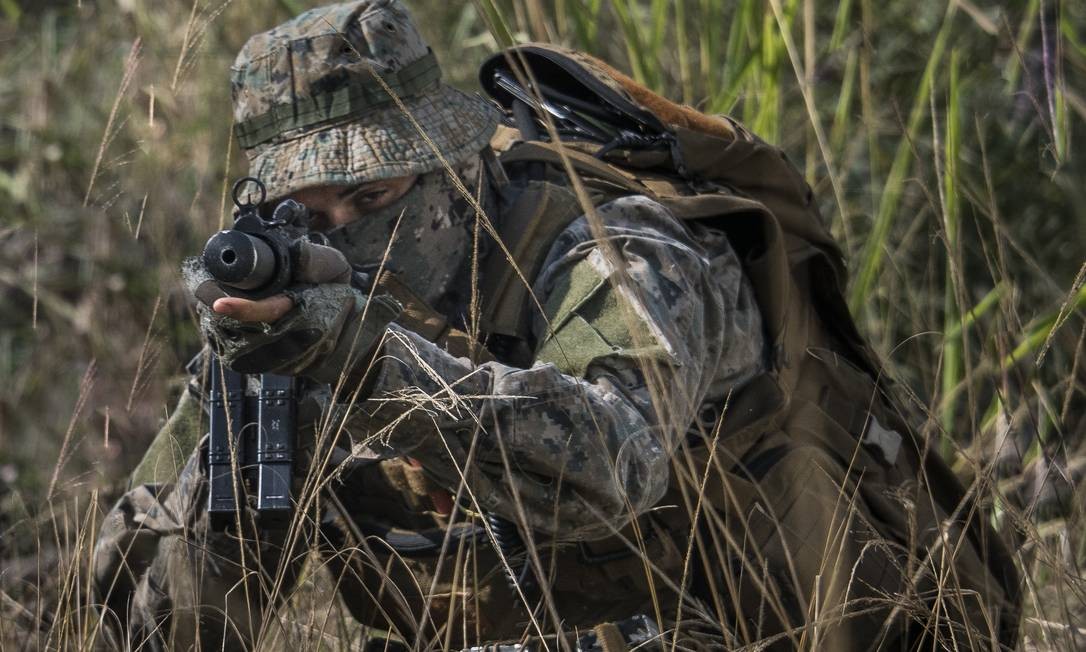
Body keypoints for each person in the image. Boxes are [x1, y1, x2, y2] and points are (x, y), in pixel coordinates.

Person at [93, 1, 1021, 650]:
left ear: (453, 167)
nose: (336, 233)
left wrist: (370, 364)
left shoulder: (608, 250)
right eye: (302, 210)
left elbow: (610, 464)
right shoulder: (303, 310)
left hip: (775, 623)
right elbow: (139, 623)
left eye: (369, 195)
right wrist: (246, 413)